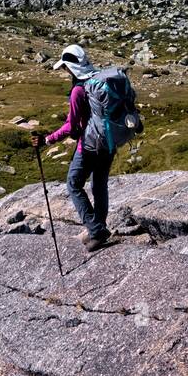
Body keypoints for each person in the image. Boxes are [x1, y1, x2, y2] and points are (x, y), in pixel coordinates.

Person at [31, 43, 113, 252]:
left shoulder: (78, 90)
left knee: (74, 184)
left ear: (70, 67)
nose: (65, 71)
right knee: (99, 185)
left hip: (88, 146)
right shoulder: (101, 80)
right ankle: (99, 228)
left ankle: (96, 230)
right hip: (109, 142)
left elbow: (71, 125)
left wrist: (47, 140)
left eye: (65, 68)